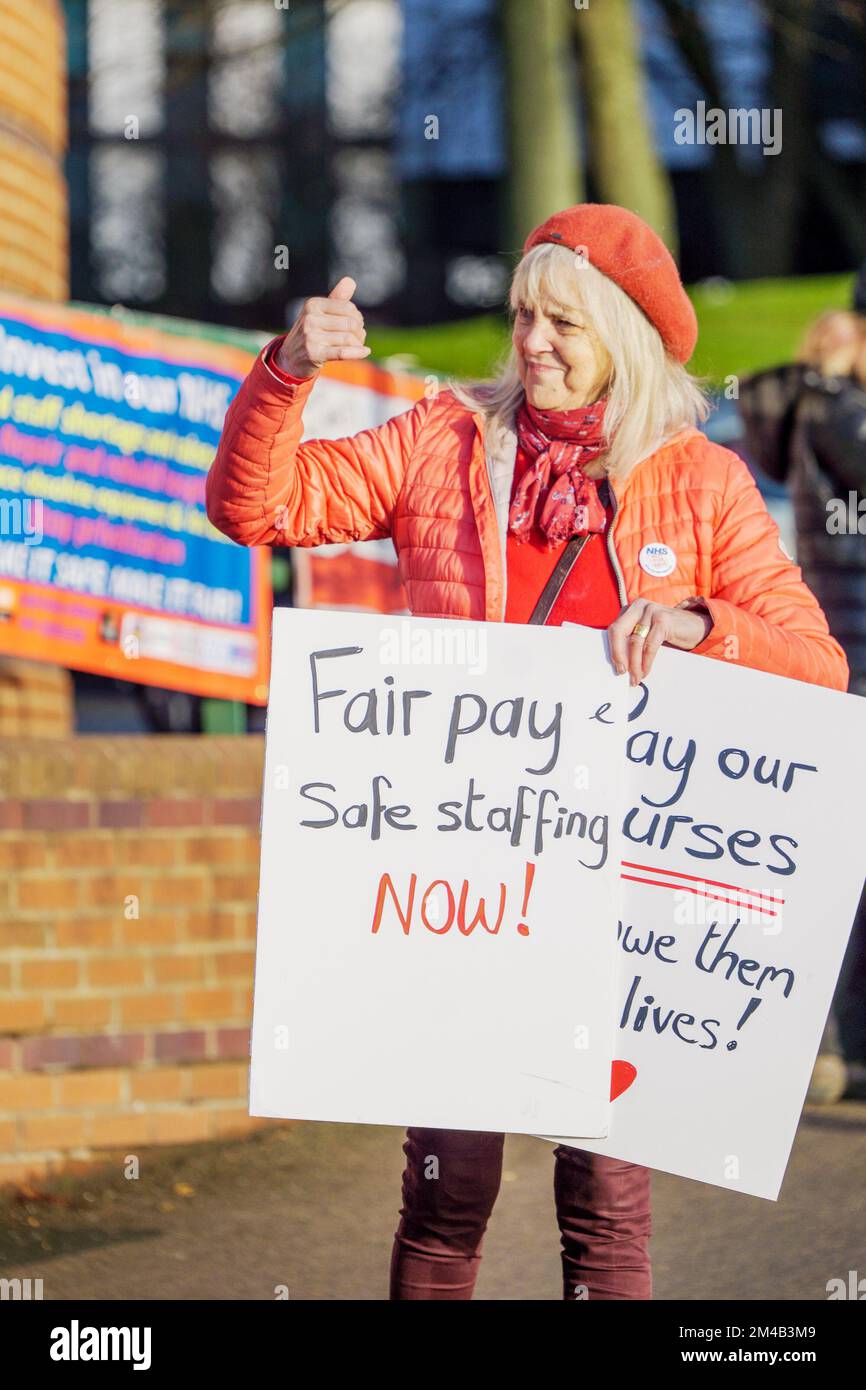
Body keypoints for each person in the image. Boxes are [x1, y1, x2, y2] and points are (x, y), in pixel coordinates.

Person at [206, 203, 849, 1300]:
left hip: (618, 905)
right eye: (520, 316)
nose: (532, 342)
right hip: (469, 883)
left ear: (623, 340)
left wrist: (703, 626)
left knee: (606, 1203)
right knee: (446, 1192)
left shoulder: (699, 483)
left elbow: (818, 667)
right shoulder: (438, 442)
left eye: (564, 322)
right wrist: (284, 371)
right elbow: (254, 506)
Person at [738, 283, 866, 1105]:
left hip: (842, 658)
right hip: (855, 655)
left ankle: (842, 1050)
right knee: (839, 870)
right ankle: (829, 1046)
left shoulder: (815, 409)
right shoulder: (839, 415)